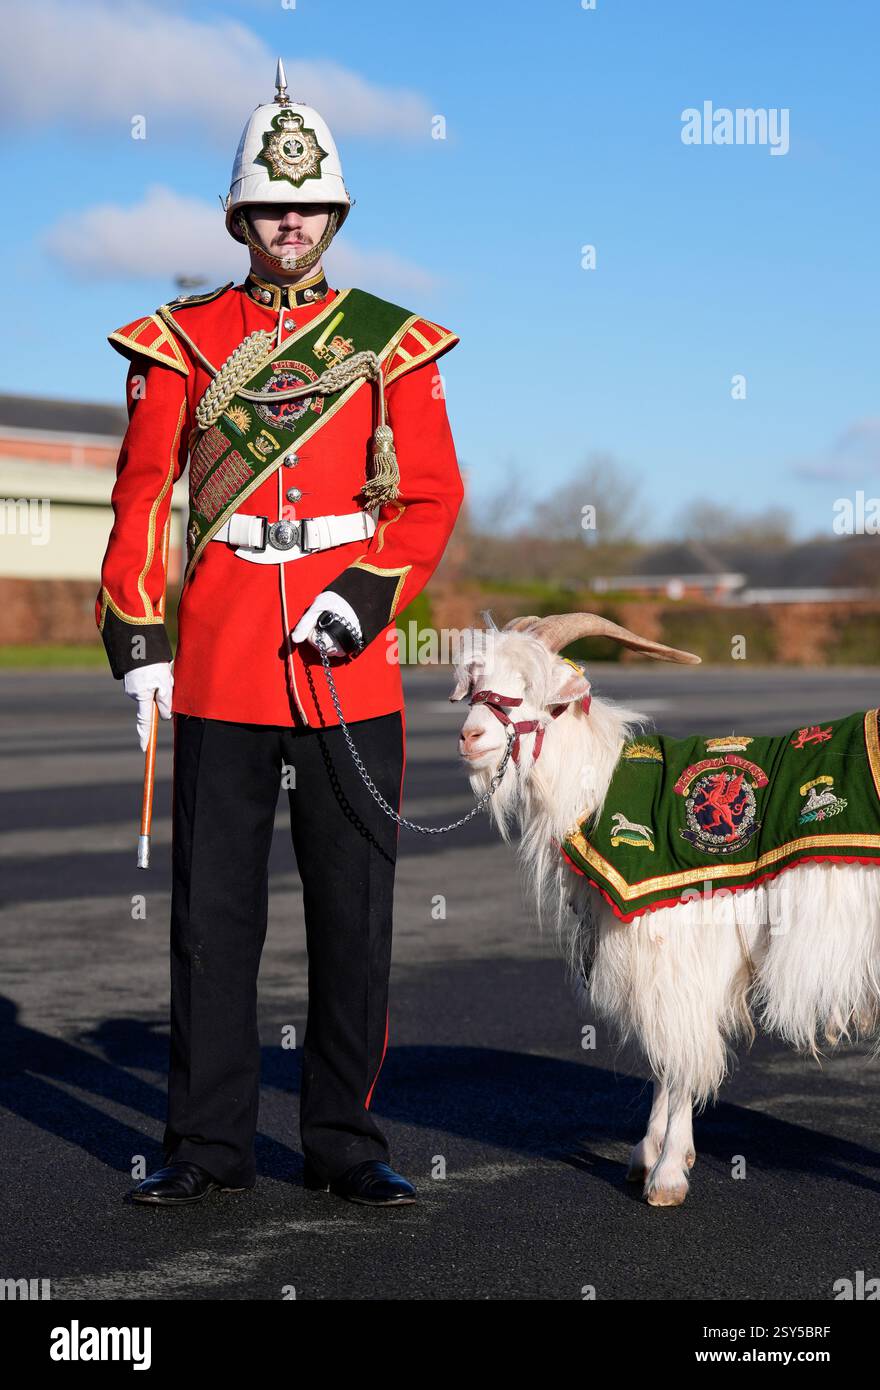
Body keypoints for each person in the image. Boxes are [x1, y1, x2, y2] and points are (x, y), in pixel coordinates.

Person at [96, 60, 463, 1207]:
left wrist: (361, 597)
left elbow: (430, 497)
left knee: (354, 925)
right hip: (216, 663)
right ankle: (208, 1148)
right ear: (241, 217)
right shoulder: (185, 340)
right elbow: (145, 494)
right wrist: (140, 635)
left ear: (333, 215)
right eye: (269, 205)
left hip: (343, 669)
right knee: (212, 926)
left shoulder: (393, 342)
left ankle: (346, 1145)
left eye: (306, 205)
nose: (288, 220)